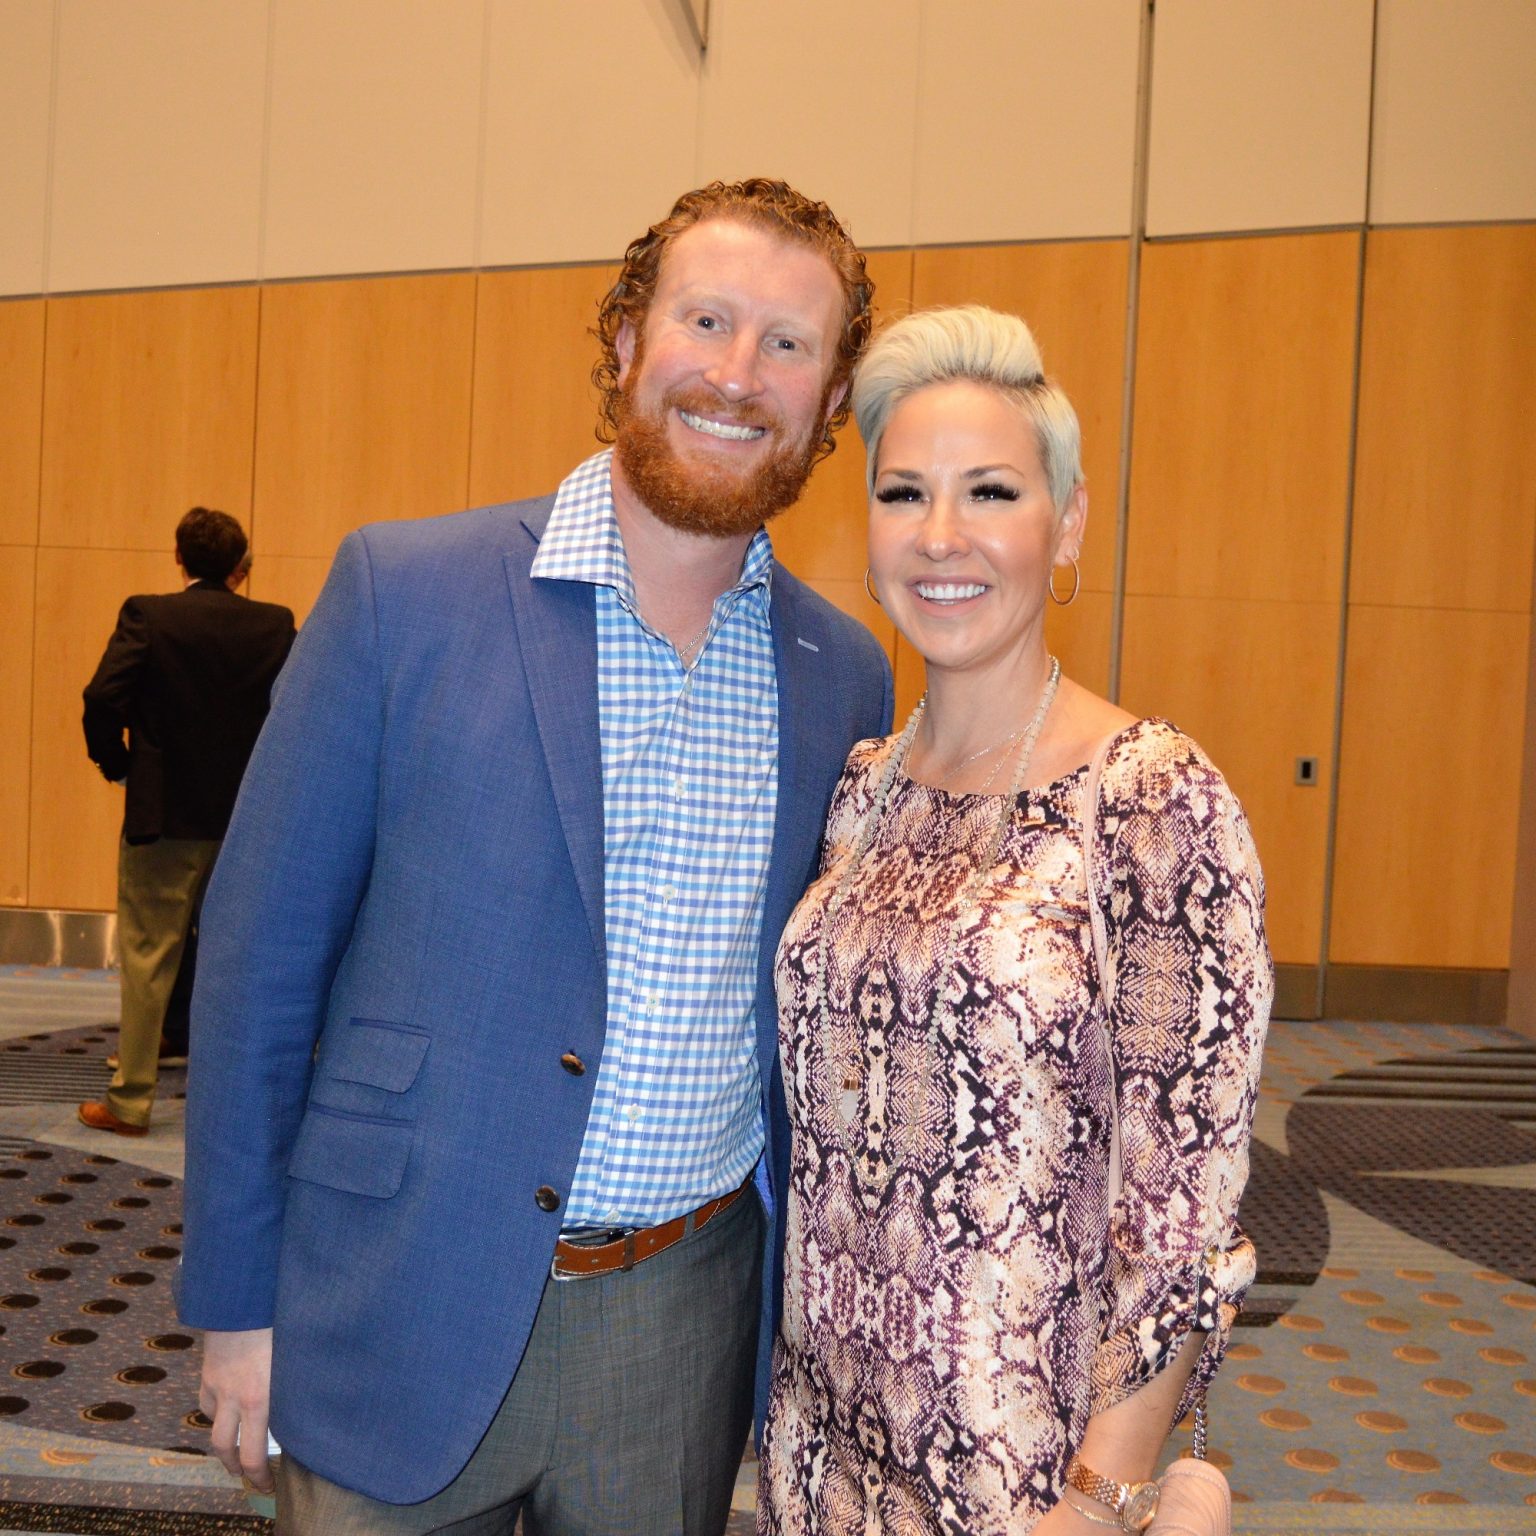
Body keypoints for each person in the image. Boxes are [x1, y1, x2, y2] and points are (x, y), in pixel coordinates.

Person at [178, 178, 893, 1535]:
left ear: (832, 403)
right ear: (628, 338)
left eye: (789, 345)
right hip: (392, 1295)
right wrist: (235, 1303)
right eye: (707, 319)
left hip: (678, 1327)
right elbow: (258, 965)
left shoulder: (842, 672)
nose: (738, 375)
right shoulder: (405, 592)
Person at [759, 307, 1272, 1535]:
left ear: (1069, 522)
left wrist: (1097, 1500)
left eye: (990, 491)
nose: (942, 537)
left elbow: (1182, 1216)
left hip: (1025, 1483)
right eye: (903, 495)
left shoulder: (1147, 798)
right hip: (817, 1454)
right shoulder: (862, 789)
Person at [78, 507, 295, 1137]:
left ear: (179, 559)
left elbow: (101, 699)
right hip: (244, 820)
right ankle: (240, 1105)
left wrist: (118, 766)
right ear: (240, 568)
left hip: (163, 816)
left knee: (149, 953)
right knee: (241, 956)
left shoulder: (149, 614)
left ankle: (131, 1101)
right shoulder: (275, 624)